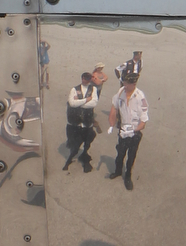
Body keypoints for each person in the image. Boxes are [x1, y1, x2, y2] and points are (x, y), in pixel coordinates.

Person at [109, 59, 149, 190]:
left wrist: (133, 131)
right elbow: (114, 107)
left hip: (134, 133)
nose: (124, 85)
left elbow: (143, 121)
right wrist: (111, 122)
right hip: (123, 130)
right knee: (120, 153)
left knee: (131, 156)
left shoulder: (140, 97)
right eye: (124, 83)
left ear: (133, 84)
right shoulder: (121, 92)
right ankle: (117, 171)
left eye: (126, 84)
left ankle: (128, 177)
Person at [64, 66, 105, 173]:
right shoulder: (74, 89)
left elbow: (94, 103)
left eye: (88, 79)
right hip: (76, 122)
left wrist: (79, 102)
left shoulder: (93, 89)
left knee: (87, 142)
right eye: (85, 79)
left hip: (87, 121)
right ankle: (70, 158)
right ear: (82, 79)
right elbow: (72, 103)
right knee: (75, 144)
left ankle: (84, 155)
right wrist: (86, 100)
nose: (86, 80)